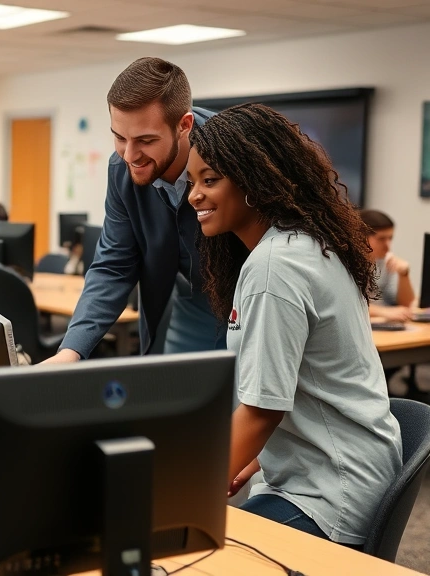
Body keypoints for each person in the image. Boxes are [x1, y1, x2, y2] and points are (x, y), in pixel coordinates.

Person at [187, 103, 401, 547]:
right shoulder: (307, 244)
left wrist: (176, 494)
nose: (194, 196)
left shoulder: (275, 267)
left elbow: (262, 411)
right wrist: (260, 458)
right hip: (337, 471)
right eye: (192, 182)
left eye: (210, 180)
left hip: (331, 491)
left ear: (253, 180)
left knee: (188, 554)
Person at [44, 58, 223, 363]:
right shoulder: (122, 170)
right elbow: (113, 266)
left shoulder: (232, 154)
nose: (130, 155)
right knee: (180, 389)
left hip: (252, 299)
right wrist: (70, 352)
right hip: (193, 302)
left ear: (184, 125)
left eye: (146, 140)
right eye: (119, 137)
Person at [359, 209, 416, 322]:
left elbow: (406, 305)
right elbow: (347, 304)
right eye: (381, 239)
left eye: (390, 238)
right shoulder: (346, 264)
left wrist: (404, 274)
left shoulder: (384, 262)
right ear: (360, 237)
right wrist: (384, 312)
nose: (388, 246)